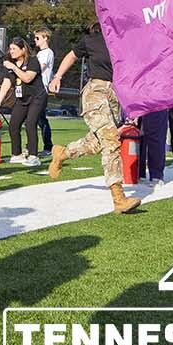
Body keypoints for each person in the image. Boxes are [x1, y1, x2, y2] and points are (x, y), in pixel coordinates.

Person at [48, 28, 143, 214]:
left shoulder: (127, 40)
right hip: (95, 93)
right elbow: (71, 56)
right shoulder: (92, 40)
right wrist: (57, 77)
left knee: (96, 143)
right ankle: (119, 198)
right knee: (111, 140)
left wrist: (135, 106)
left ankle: (62, 153)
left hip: (115, 97)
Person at [0, 36, 43, 167]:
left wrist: (14, 68)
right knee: (13, 125)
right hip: (22, 98)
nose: (11, 51)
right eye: (10, 49)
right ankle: (17, 154)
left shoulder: (33, 61)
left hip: (37, 97)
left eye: (14, 49)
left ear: (23, 49)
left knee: (30, 124)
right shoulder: (11, 63)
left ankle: (33, 156)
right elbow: (6, 83)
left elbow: (27, 78)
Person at [32, 28, 57, 152]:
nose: (35, 40)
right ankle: (34, 147)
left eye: (37, 38)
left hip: (41, 89)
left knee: (39, 120)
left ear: (45, 38)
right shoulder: (40, 53)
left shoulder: (47, 52)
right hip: (35, 89)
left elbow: (38, 68)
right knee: (34, 119)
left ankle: (48, 147)